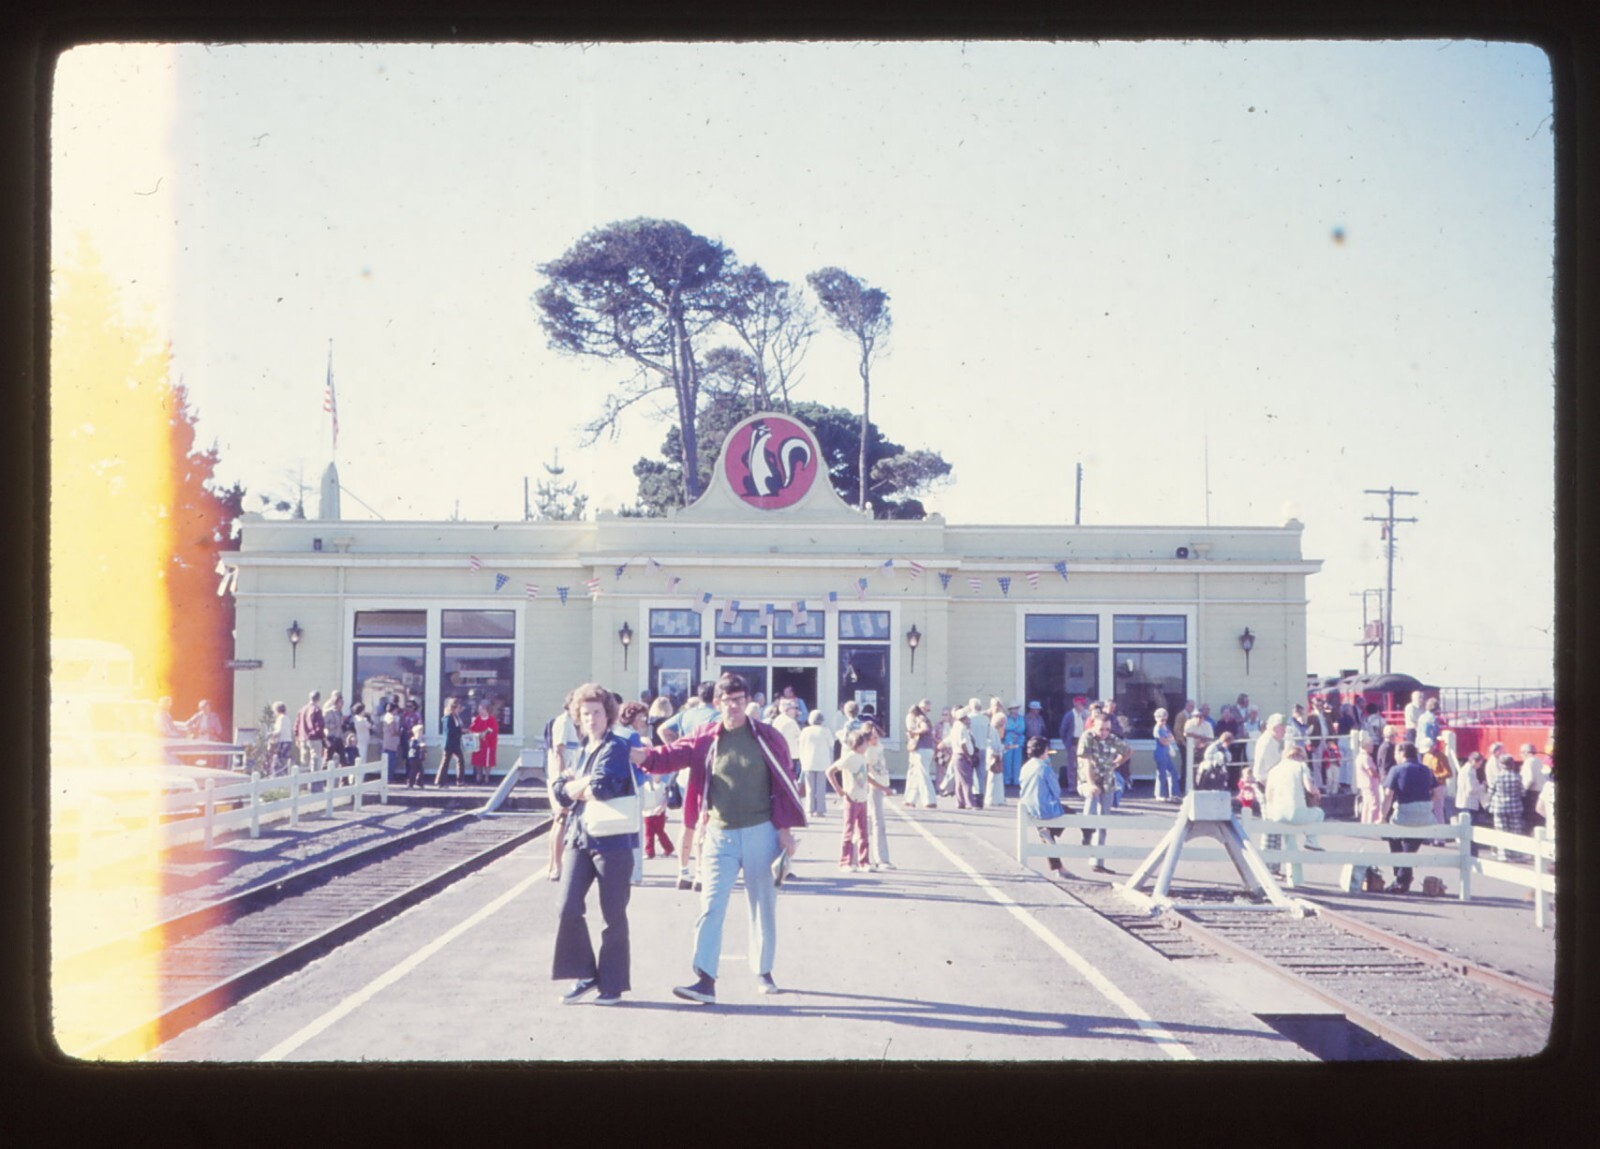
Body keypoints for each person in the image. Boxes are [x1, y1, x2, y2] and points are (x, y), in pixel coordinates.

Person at [631, 672, 806, 1004]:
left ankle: (763, 970)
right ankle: (705, 980)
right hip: (718, 834)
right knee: (710, 906)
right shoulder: (705, 737)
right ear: (717, 703)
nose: (734, 706)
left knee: (762, 905)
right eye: (727, 701)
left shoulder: (768, 737)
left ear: (747, 701)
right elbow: (672, 755)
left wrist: (784, 832)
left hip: (761, 832)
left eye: (739, 700)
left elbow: (783, 783)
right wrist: (643, 756)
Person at [551, 683, 639, 1006]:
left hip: (612, 842)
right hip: (579, 837)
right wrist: (581, 785)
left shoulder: (616, 747)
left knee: (613, 914)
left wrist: (574, 785)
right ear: (578, 716)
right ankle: (585, 974)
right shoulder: (581, 749)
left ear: (608, 715)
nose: (591, 719)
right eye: (586, 713)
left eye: (597, 713)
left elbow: (602, 788)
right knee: (567, 906)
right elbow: (559, 792)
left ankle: (612, 985)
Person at [1262, 740, 1324, 884]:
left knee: (1290, 840)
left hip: (1276, 814)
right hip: (1295, 812)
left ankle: (1295, 878)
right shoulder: (1301, 766)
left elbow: (1268, 794)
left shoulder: (1274, 769)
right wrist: (1317, 792)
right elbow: (1309, 788)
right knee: (1319, 813)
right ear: (1300, 756)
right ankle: (1311, 840)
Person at [1381, 741, 1440, 892]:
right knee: (1409, 848)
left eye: (1396, 752)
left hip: (1405, 813)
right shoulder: (1426, 770)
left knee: (1393, 838)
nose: (1394, 756)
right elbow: (1437, 794)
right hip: (1425, 815)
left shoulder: (1397, 770)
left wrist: (1383, 816)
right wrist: (1425, 804)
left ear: (1402, 753)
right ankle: (1403, 880)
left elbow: (1388, 795)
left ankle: (1401, 880)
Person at [1076, 711, 1130, 875]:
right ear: (1094, 726)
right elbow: (1086, 762)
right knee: (1092, 797)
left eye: (1107, 729)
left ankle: (1097, 862)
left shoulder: (1112, 739)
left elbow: (1128, 751)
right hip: (1088, 779)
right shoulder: (1087, 737)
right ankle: (1086, 830)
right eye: (1101, 729)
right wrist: (1091, 784)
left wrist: (1116, 763)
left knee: (1103, 822)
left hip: (1107, 783)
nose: (1104, 732)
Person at [1020, 735, 1073, 878]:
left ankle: (1058, 868)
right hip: (1045, 807)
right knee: (1070, 813)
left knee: (1046, 837)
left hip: (1028, 805)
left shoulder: (1025, 767)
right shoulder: (1044, 767)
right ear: (1044, 750)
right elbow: (1056, 790)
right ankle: (1053, 831)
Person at [828, 726, 874, 872]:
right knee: (849, 831)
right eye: (865, 743)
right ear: (858, 744)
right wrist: (839, 790)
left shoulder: (863, 757)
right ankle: (845, 862)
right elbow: (830, 771)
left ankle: (864, 862)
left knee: (863, 832)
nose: (867, 746)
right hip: (851, 798)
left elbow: (865, 777)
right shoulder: (849, 757)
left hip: (862, 798)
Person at [863, 727, 895, 870]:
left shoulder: (878, 747)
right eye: (873, 737)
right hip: (874, 789)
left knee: (871, 823)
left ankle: (860, 856)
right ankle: (882, 859)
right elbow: (865, 775)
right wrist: (882, 787)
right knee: (878, 823)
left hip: (881, 786)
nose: (876, 739)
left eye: (877, 736)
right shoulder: (867, 752)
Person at [1486, 754, 1527, 862]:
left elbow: (1490, 792)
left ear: (1501, 764)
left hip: (1499, 807)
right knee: (1515, 831)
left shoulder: (1497, 777)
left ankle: (1503, 855)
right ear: (1512, 764)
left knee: (1501, 831)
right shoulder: (1517, 777)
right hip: (1514, 807)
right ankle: (1516, 854)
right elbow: (1522, 793)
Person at [798, 709, 833, 819]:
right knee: (820, 788)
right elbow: (831, 744)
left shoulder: (805, 731)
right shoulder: (826, 731)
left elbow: (801, 745)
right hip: (822, 762)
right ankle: (820, 810)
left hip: (808, 762)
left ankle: (809, 809)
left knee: (810, 788)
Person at [903, 700, 937, 809]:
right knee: (913, 774)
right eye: (924, 709)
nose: (926, 711)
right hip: (924, 748)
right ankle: (910, 799)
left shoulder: (920, 718)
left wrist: (914, 732)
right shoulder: (925, 719)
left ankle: (930, 800)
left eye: (928, 710)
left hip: (922, 749)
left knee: (923, 774)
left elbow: (924, 728)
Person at [945, 707, 978, 809]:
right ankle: (970, 803)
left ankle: (960, 802)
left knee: (959, 781)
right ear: (964, 718)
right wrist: (968, 757)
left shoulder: (955, 726)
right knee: (967, 781)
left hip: (956, 755)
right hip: (962, 755)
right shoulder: (962, 727)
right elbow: (963, 744)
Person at [434, 697, 466, 787]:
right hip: (449, 743)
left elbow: (458, 727)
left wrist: (461, 730)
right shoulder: (447, 717)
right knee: (446, 762)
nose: (459, 709)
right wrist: (460, 731)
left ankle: (459, 781)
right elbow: (449, 731)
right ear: (453, 707)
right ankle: (440, 781)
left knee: (459, 760)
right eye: (458, 707)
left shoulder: (456, 717)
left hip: (455, 742)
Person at [1182, 703, 1215, 791]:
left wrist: (1201, 741)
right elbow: (1186, 734)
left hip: (1205, 749)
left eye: (1201, 716)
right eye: (1196, 716)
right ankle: (1192, 787)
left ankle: (1204, 787)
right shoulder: (1189, 723)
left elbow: (1210, 738)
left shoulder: (1208, 725)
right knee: (1191, 769)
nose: (1198, 718)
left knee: (1205, 768)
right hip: (1191, 749)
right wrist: (1198, 737)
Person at [293, 690, 327, 772]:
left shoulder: (302, 709)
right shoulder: (316, 710)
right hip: (314, 739)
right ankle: (315, 779)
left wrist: (297, 737)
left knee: (304, 762)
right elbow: (319, 727)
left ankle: (303, 780)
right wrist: (324, 738)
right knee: (315, 761)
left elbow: (296, 725)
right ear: (318, 699)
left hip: (303, 738)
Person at [771, 698, 804, 782]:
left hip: (779, 753)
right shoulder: (791, 722)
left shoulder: (777, 720)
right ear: (787, 710)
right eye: (793, 709)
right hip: (792, 755)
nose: (795, 711)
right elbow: (800, 738)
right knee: (791, 778)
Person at [1355, 732, 1384, 824]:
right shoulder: (1366, 758)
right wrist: (1379, 776)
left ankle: (1365, 822)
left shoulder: (1359, 757)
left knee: (1366, 805)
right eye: (1371, 745)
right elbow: (1371, 772)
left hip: (1363, 784)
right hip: (1370, 784)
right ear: (1366, 746)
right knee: (1374, 804)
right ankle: (1372, 822)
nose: (1373, 747)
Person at [1456, 750, 1489, 830]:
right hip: (1469, 803)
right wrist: (1482, 786)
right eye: (1479, 763)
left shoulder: (1466, 769)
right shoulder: (1469, 771)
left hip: (1465, 801)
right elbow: (1471, 789)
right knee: (1470, 827)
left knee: (1465, 825)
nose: (1480, 766)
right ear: (1474, 761)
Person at [1151, 707, 1179, 801]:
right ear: (1157, 718)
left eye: (1165, 720)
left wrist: (1169, 739)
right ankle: (1159, 794)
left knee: (1172, 772)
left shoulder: (1165, 727)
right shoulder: (1157, 729)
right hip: (1160, 754)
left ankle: (1173, 794)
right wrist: (1169, 739)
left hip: (1166, 753)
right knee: (1161, 774)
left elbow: (1172, 737)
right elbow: (1164, 742)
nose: (1164, 722)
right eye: (1162, 720)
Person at [469, 700, 499, 785]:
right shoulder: (477, 719)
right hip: (478, 744)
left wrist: (485, 734)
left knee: (487, 761)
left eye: (481, 709)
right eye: (479, 709)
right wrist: (476, 734)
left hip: (488, 744)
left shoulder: (491, 719)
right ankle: (479, 776)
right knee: (478, 760)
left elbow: (494, 730)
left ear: (486, 709)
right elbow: (472, 729)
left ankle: (486, 777)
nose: (480, 711)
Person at [933, 705, 955, 795]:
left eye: (946, 714)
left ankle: (950, 789)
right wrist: (940, 743)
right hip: (941, 749)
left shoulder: (953, 725)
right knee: (940, 769)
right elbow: (933, 736)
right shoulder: (938, 725)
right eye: (943, 714)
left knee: (951, 769)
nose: (944, 716)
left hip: (951, 749)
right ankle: (939, 788)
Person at [1003, 702, 1026, 788]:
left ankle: (1016, 780)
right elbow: (1006, 728)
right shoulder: (1006, 718)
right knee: (1008, 759)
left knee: (1017, 760)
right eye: (1013, 708)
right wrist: (1014, 730)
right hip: (1009, 741)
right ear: (1010, 710)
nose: (1015, 710)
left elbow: (1022, 728)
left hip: (1018, 741)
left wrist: (1014, 730)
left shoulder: (1021, 718)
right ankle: (1007, 780)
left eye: (1016, 708)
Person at [381, 701, 402, 782]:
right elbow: (393, 732)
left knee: (388, 761)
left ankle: (387, 777)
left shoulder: (386, 716)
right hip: (391, 743)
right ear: (394, 709)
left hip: (387, 742)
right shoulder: (391, 718)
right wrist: (400, 733)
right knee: (391, 761)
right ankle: (389, 778)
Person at [270, 701, 293, 775]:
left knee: (278, 761)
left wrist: (271, 734)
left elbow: (279, 731)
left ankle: (278, 775)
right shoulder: (287, 718)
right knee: (284, 760)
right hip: (288, 741)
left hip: (282, 742)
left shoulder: (281, 718)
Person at [405, 718, 427, 790]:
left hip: (418, 757)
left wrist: (424, 752)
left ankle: (419, 782)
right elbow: (412, 746)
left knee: (421, 770)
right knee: (413, 770)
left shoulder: (421, 739)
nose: (421, 733)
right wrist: (419, 745)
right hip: (413, 757)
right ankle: (410, 783)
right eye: (420, 732)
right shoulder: (413, 739)